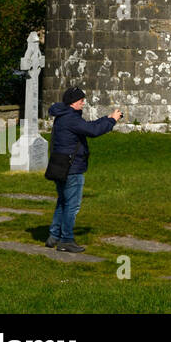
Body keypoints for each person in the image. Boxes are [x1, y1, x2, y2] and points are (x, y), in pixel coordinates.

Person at [46, 87, 121, 252]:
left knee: (63, 202)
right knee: (72, 205)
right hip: (72, 167)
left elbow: (86, 126)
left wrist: (106, 118)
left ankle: (54, 236)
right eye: (81, 100)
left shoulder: (63, 115)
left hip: (60, 165)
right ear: (73, 102)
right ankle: (66, 240)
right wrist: (112, 121)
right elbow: (93, 131)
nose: (83, 102)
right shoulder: (71, 118)